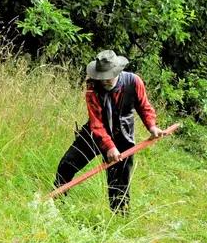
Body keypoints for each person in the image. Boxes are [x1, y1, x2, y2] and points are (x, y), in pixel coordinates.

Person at [54, 50, 163, 211]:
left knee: (119, 183)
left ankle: (119, 217)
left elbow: (144, 106)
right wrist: (109, 146)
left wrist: (152, 126)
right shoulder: (92, 86)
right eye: (101, 76)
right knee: (66, 165)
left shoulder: (134, 82)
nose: (104, 80)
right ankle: (55, 205)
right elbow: (96, 122)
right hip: (95, 133)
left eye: (108, 76)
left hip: (122, 135)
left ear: (117, 71)